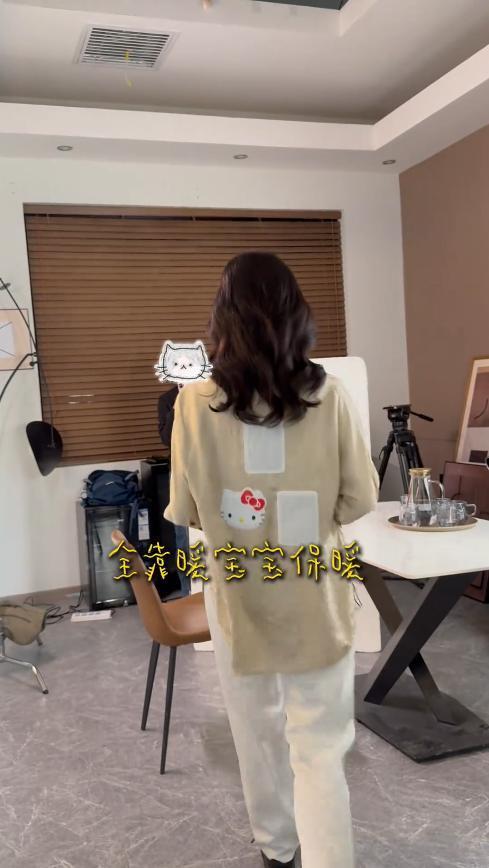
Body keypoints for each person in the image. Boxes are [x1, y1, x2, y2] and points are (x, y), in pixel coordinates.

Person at [163, 252, 379, 868]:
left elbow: (187, 508)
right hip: (315, 589)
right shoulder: (328, 396)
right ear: (296, 316)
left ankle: (277, 851)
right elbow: (359, 498)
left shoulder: (194, 404)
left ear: (222, 317)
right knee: (321, 746)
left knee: (256, 736)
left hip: (239, 594)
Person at [157, 382, 191, 596]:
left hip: (210, 469)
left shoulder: (209, 392)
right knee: (183, 534)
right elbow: (166, 438)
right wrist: (179, 403)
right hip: (180, 471)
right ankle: (187, 590)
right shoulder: (167, 400)